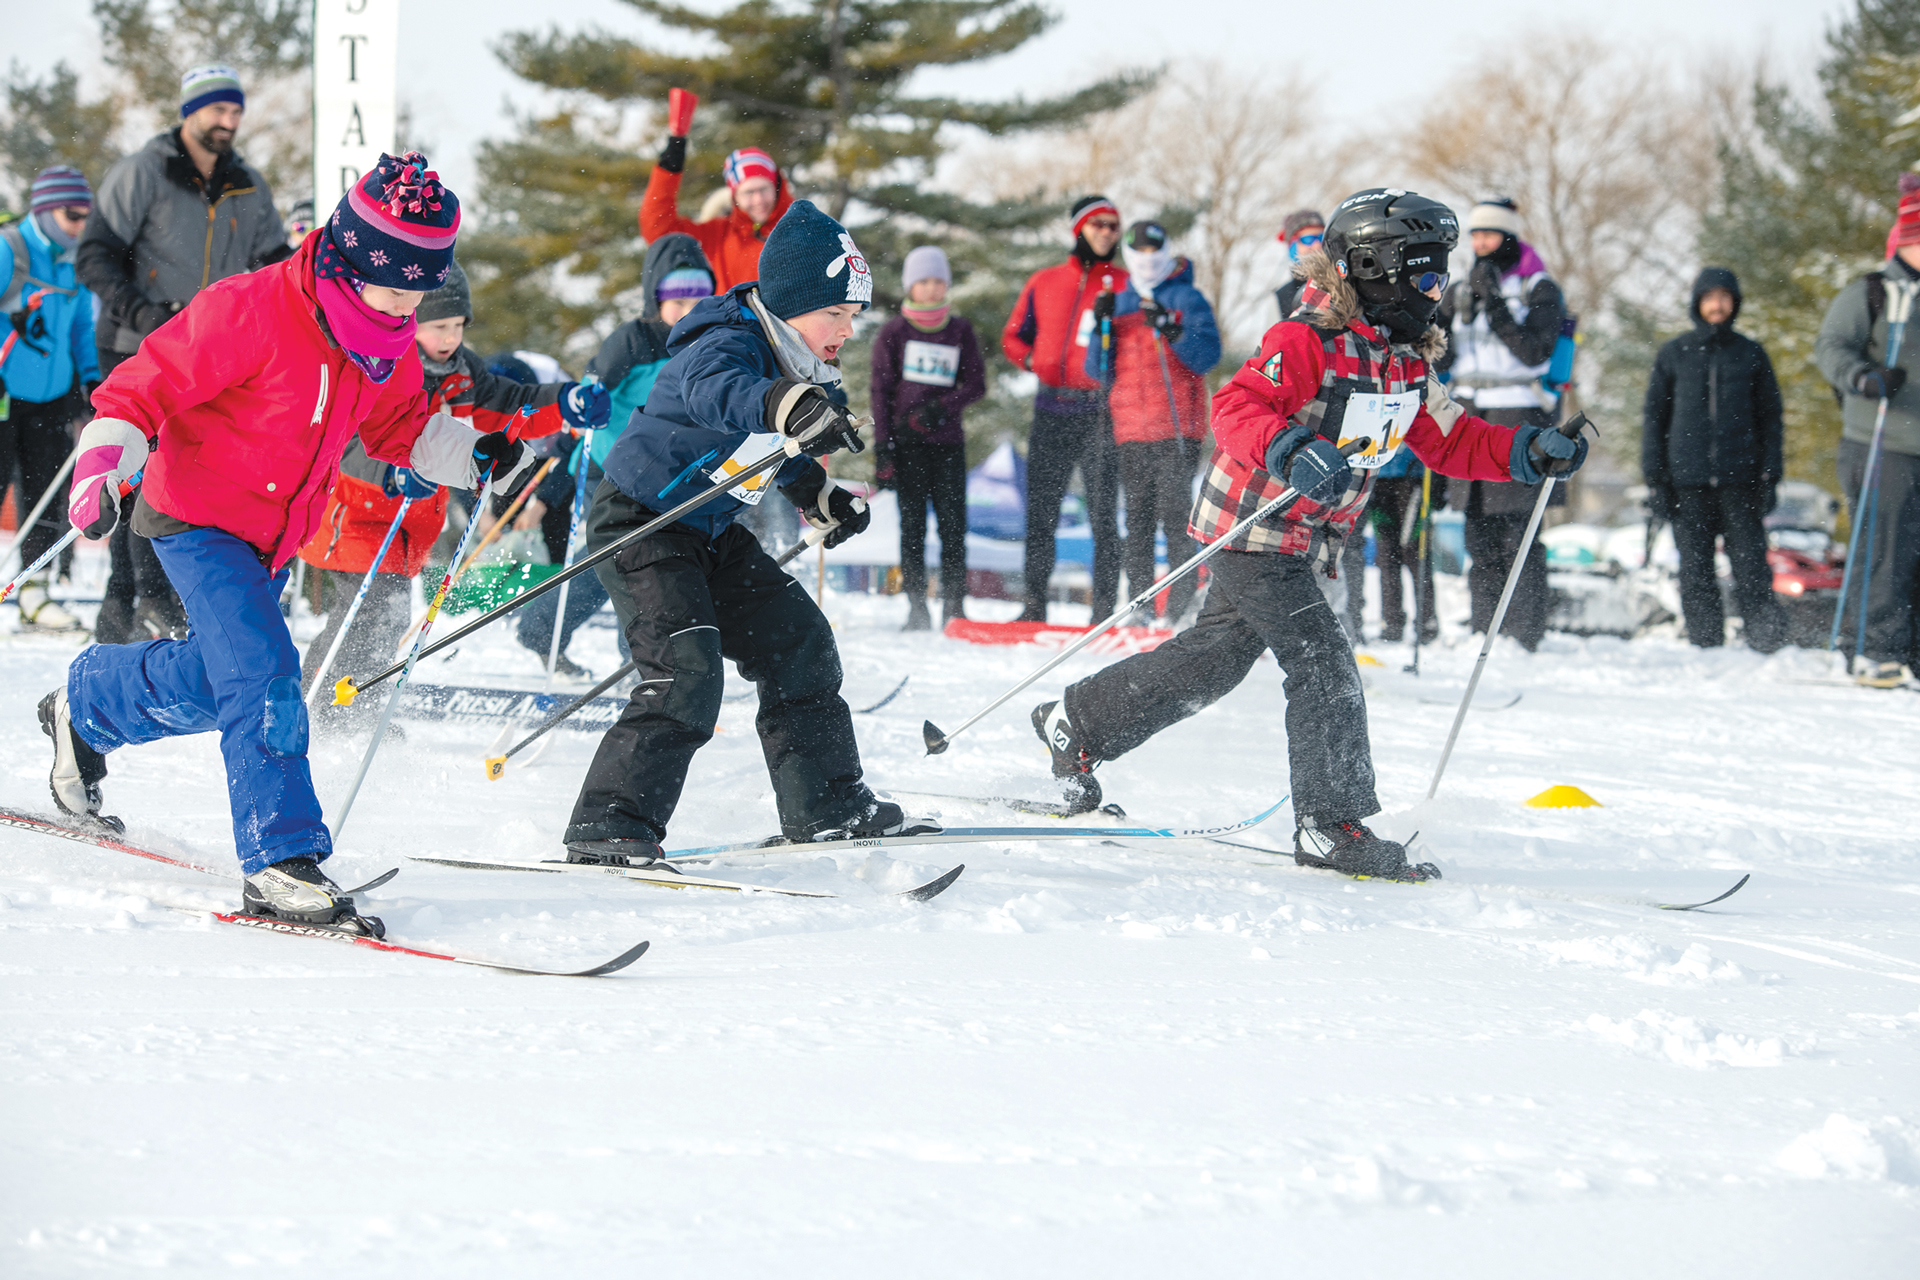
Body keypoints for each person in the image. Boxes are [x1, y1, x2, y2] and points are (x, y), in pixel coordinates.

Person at [1029, 189, 1587, 879]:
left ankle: (1076, 723)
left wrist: (1529, 453)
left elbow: (1452, 439)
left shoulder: (1407, 359)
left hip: (1302, 539)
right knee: (1322, 662)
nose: (1436, 286)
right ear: (1372, 267)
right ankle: (1329, 822)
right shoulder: (1306, 339)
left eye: (1439, 271)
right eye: (1424, 271)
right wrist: (1289, 446)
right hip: (1251, 525)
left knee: (1214, 660)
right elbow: (1236, 408)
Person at [40, 152, 534, 929]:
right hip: (196, 515)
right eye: (398, 288)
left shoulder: (384, 337)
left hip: (272, 536)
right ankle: (280, 859)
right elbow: (144, 386)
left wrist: (473, 454)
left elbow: (399, 425)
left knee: (219, 680)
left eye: (420, 294)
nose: (408, 309)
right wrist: (103, 466)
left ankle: (90, 702)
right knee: (268, 677)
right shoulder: (253, 309)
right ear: (349, 258)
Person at [561, 199, 901, 864]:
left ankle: (826, 806)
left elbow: (775, 447)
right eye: (835, 312)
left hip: (709, 530)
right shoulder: (728, 341)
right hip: (643, 523)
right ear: (790, 303)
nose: (847, 329)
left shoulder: (804, 365)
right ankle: (608, 825)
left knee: (800, 645)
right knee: (686, 673)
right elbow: (717, 393)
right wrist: (783, 403)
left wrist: (819, 495)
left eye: (854, 316)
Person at [296, 258, 608, 715]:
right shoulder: (378, 365)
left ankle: (357, 709)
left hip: (409, 521)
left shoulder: (461, 372)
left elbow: (510, 404)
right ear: (408, 319)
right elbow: (349, 437)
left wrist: (564, 403)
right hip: (356, 513)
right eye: (438, 326)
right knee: (369, 617)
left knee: (385, 622)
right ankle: (320, 712)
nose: (450, 338)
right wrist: (392, 473)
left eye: (459, 325)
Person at [76, 64, 291, 645]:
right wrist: (143, 312)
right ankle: (145, 600)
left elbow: (277, 264)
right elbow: (95, 255)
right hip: (134, 340)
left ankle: (125, 608)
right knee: (137, 469)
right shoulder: (144, 171)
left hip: (214, 350)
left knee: (180, 470)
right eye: (218, 110)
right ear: (189, 111)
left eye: (236, 111)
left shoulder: (248, 183)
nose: (229, 121)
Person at [1432, 198, 1569, 653]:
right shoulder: (1462, 287)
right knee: (1477, 528)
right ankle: (1484, 626)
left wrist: (1497, 308)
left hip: (1519, 409)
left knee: (1518, 528)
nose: (1481, 244)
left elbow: (1535, 353)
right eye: (1475, 236)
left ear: (1508, 237)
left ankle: (1524, 631)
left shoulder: (1538, 286)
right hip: (1470, 408)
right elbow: (1444, 355)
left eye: (1489, 235)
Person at [1642, 268, 1789, 653]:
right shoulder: (1674, 353)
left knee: (1752, 568)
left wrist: (1770, 475)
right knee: (1695, 570)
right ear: (1698, 303)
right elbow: (1655, 419)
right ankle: (1705, 646)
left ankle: (1765, 644)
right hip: (1686, 483)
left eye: (1725, 297)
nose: (1717, 304)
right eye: (1710, 297)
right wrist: (1656, 480)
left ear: (1734, 303)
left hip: (1741, 481)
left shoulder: (1751, 354)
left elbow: (1771, 418)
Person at [1088, 220, 1221, 624]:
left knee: (1177, 518)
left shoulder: (1187, 296)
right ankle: (1140, 605)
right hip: (1129, 429)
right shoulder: (1120, 301)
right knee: (1138, 521)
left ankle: (1181, 607)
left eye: (1155, 253)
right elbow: (1096, 368)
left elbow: (1206, 356)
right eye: (1140, 253)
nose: (1148, 261)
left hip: (1177, 428)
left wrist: (1172, 327)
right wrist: (1100, 326)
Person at [1816, 174, 1920, 686]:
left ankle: (1910, 651)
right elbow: (1832, 346)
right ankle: (1871, 646)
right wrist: (1864, 377)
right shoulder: (1872, 292)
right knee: (1885, 550)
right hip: (1882, 443)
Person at [1002, 195, 1126, 622]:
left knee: (1103, 514)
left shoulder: (1125, 285)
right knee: (1041, 512)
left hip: (1100, 414)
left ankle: (1104, 610)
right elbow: (1013, 337)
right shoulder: (1046, 281)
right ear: (1079, 229)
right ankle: (1033, 605)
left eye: (1113, 225)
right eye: (1099, 224)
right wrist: (1033, 360)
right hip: (1052, 407)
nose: (1108, 232)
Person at [1, 166, 99, 632]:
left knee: (45, 494)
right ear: (44, 210)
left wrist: (92, 378)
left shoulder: (71, 259)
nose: (80, 224)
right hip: (3, 395)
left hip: (52, 396)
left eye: (85, 215)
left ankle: (34, 591)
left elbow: (81, 325)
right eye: (72, 214)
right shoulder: (9, 249)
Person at [870, 244, 987, 631]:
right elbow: (880, 392)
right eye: (924, 281)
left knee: (954, 527)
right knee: (913, 528)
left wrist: (941, 408)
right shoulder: (894, 332)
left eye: (939, 281)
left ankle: (954, 605)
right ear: (910, 286)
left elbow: (976, 384)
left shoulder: (960, 330)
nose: (932, 288)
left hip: (948, 445)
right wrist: (883, 447)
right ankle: (916, 606)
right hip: (907, 447)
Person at [639, 94, 792, 291]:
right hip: (730, 322)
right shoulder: (716, 236)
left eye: (764, 189)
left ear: (776, 187)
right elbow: (658, 230)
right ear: (734, 195)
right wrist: (670, 166)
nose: (758, 199)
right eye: (748, 192)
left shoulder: (802, 229)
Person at [1273, 209, 1325, 321]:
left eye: (1321, 237)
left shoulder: (1345, 280)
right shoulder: (1281, 297)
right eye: (1308, 239)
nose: (1317, 245)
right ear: (1292, 245)